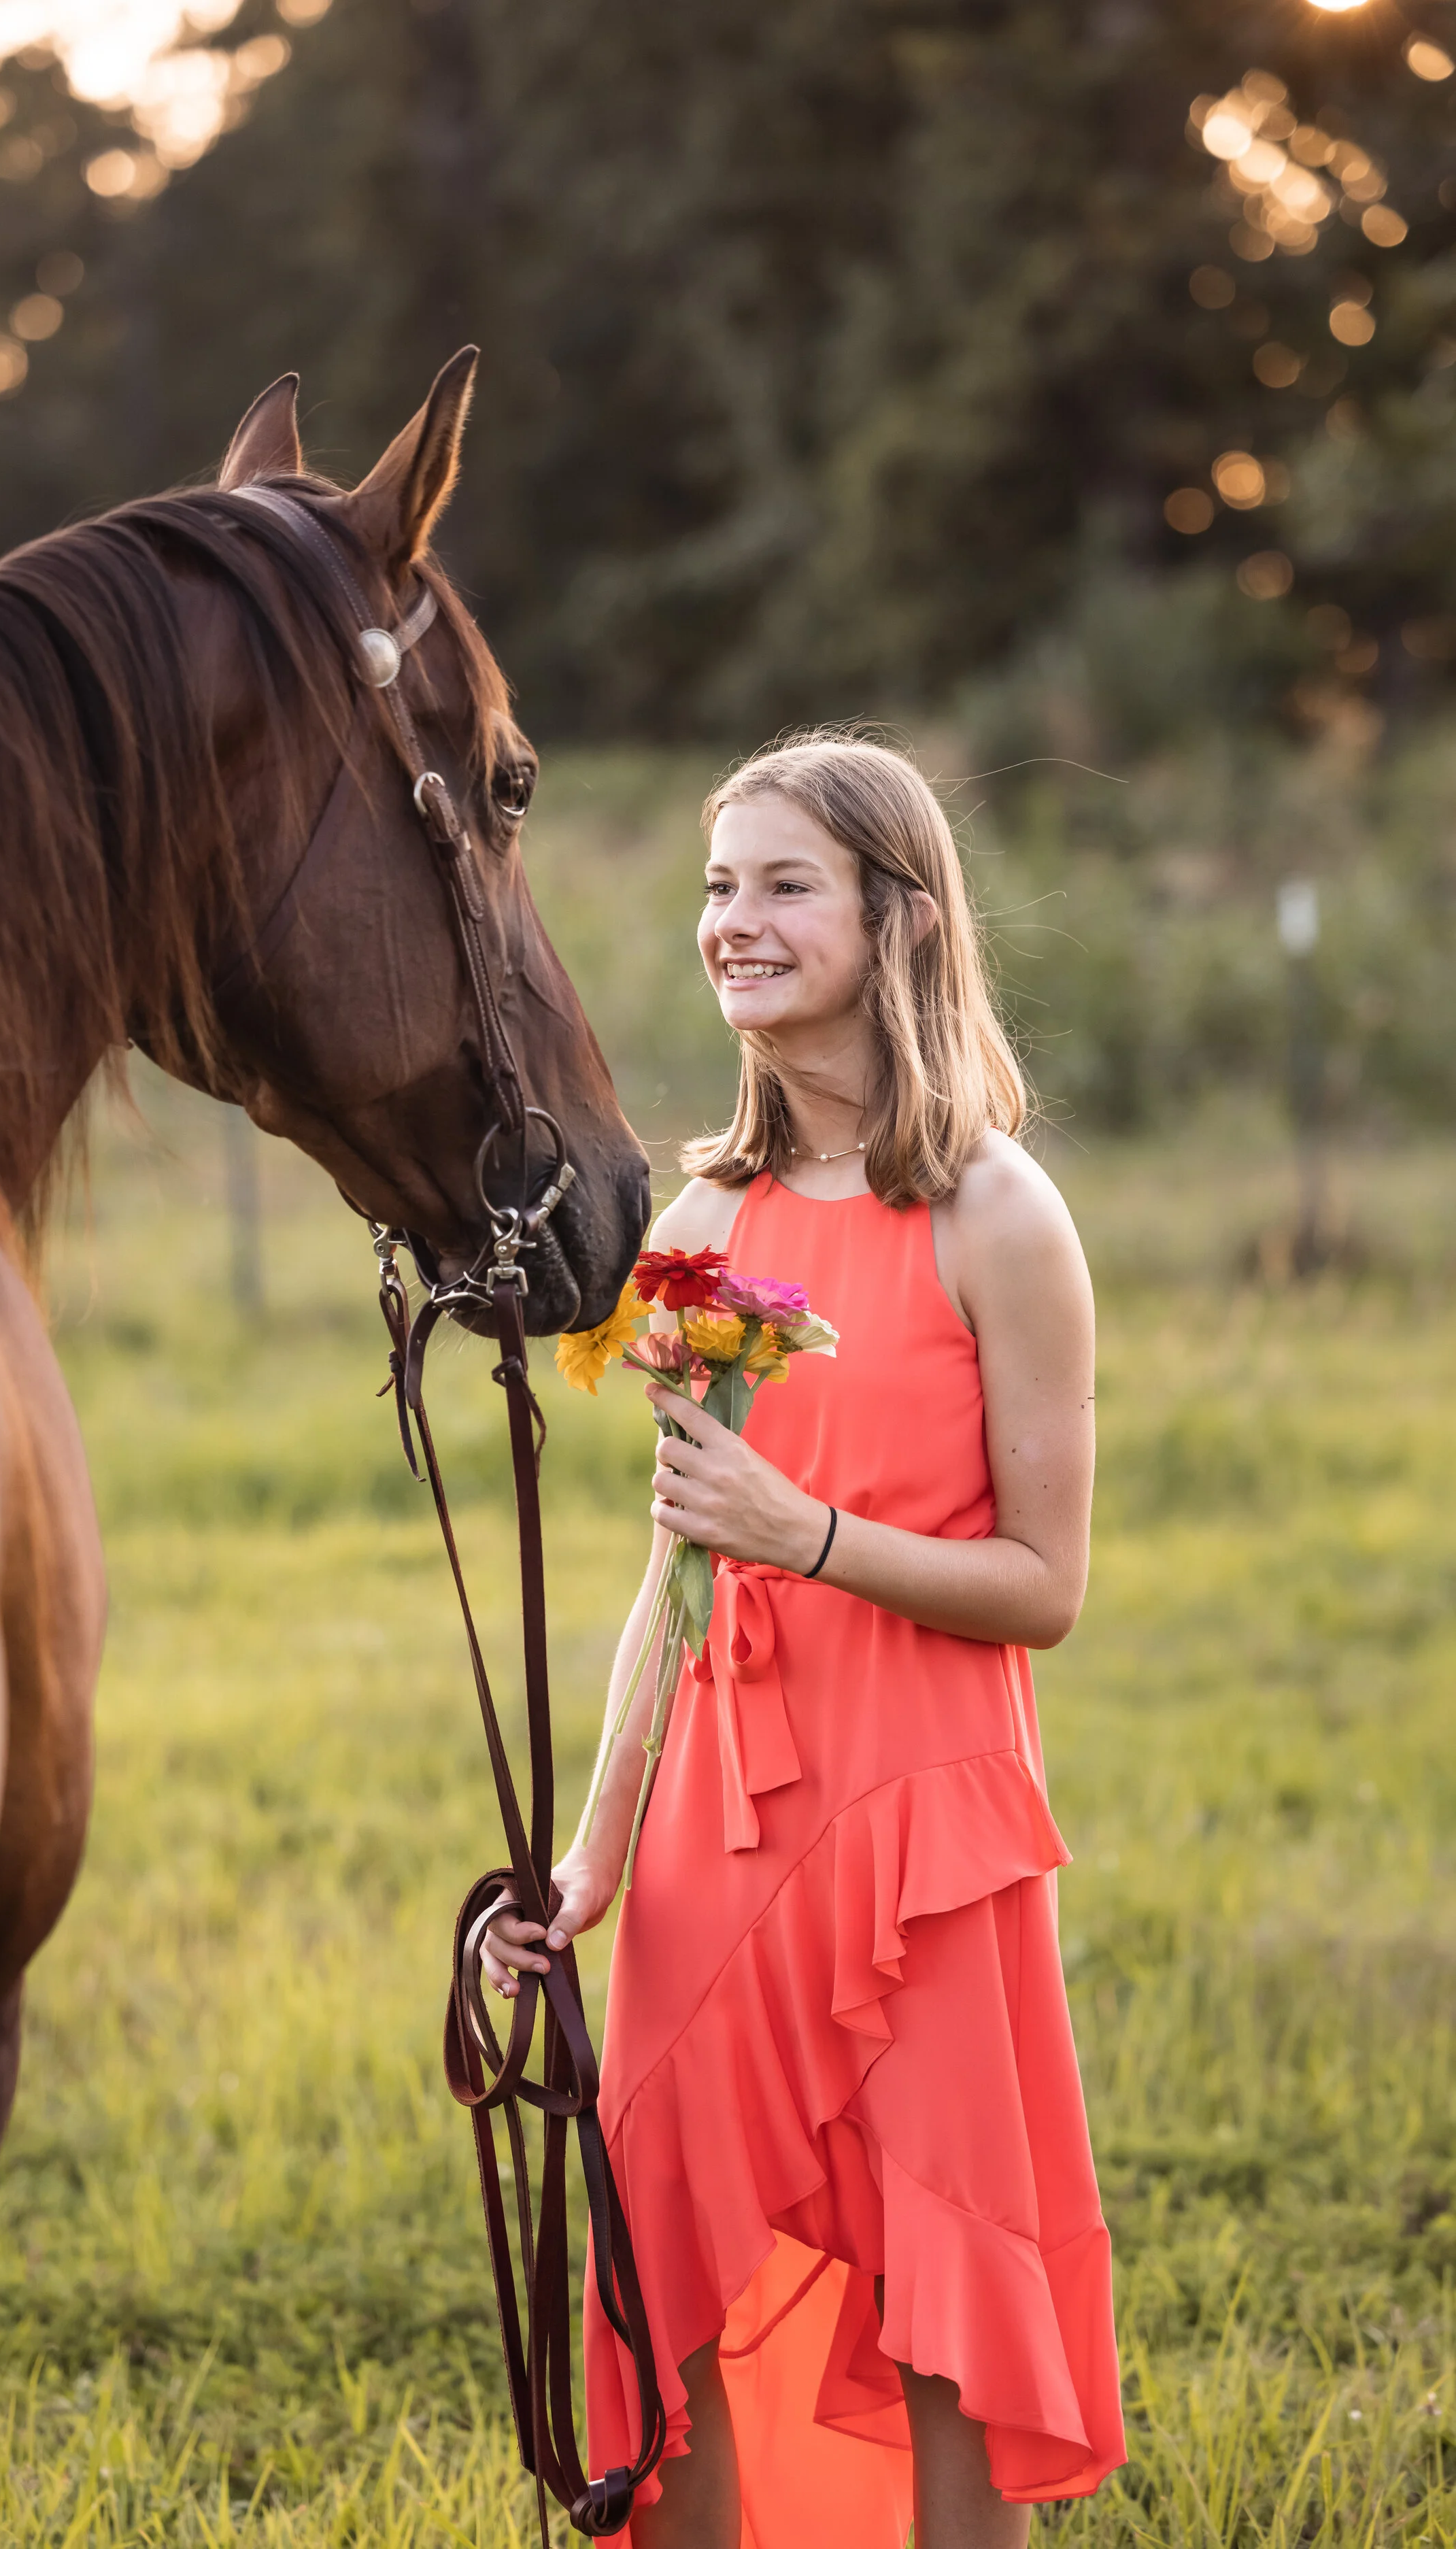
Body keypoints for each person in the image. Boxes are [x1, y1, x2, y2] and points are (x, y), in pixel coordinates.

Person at [485, 731, 1125, 2548]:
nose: (731, 923)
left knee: (940, 2288)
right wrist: (590, 1853)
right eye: (715, 885)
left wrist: (819, 1538)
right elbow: (664, 1576)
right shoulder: (696, 1229)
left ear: (896, 917)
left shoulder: (999, 1215)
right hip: (716, 1834)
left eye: (780, 884)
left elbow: (1046, 1584)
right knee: (673, 2277)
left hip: (924, 1826)